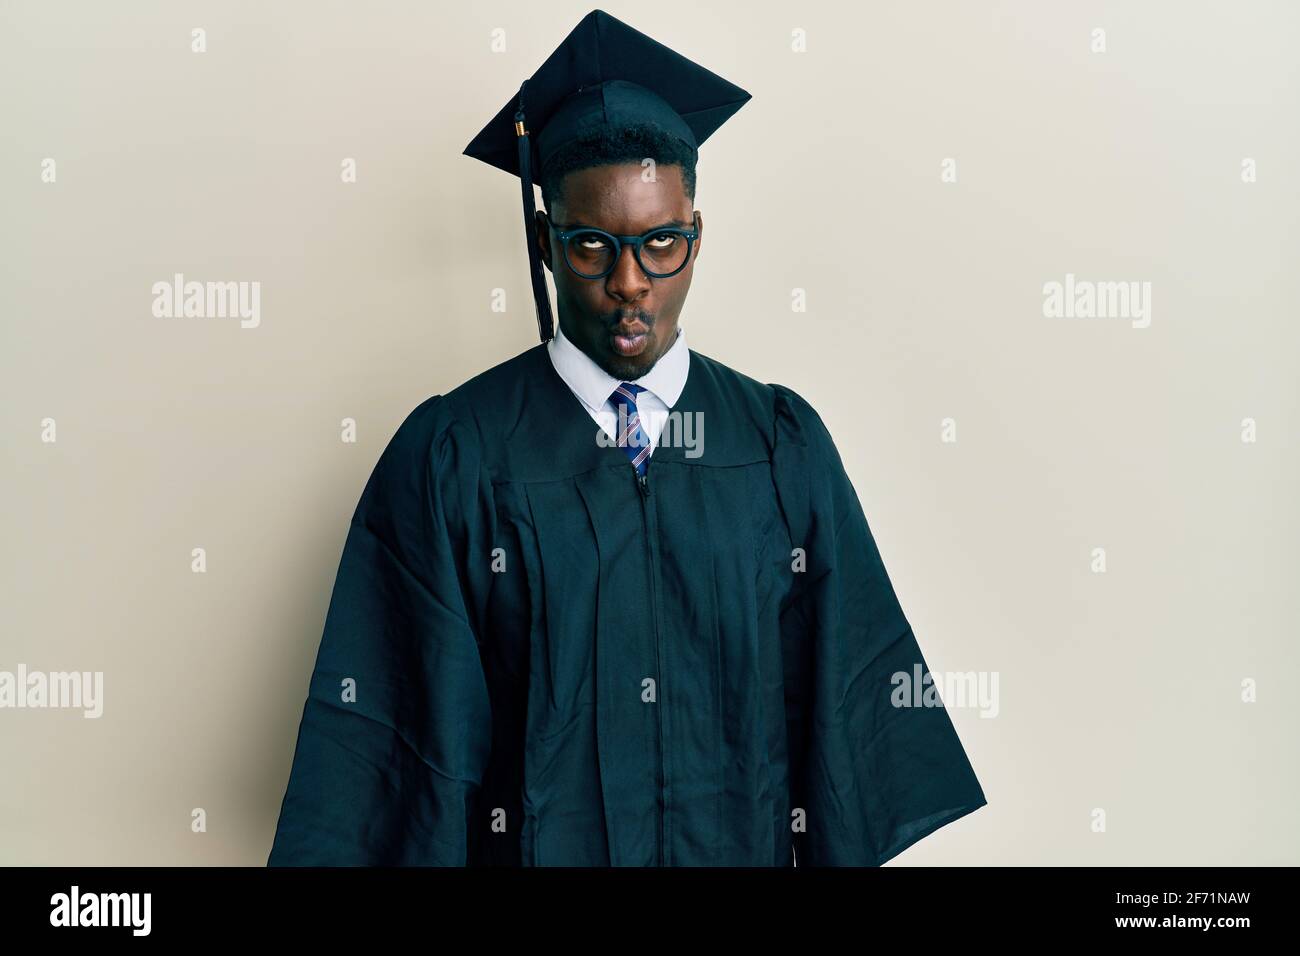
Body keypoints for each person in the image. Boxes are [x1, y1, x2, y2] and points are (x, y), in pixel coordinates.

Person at [267, 8, 987, 867]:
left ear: (695, 236)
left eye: (660, 244)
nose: (630, 283)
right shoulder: (456, 456)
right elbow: (403, 756)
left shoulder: (776, 446)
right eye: (591, 247)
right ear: (545, 241)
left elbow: (845, 719)